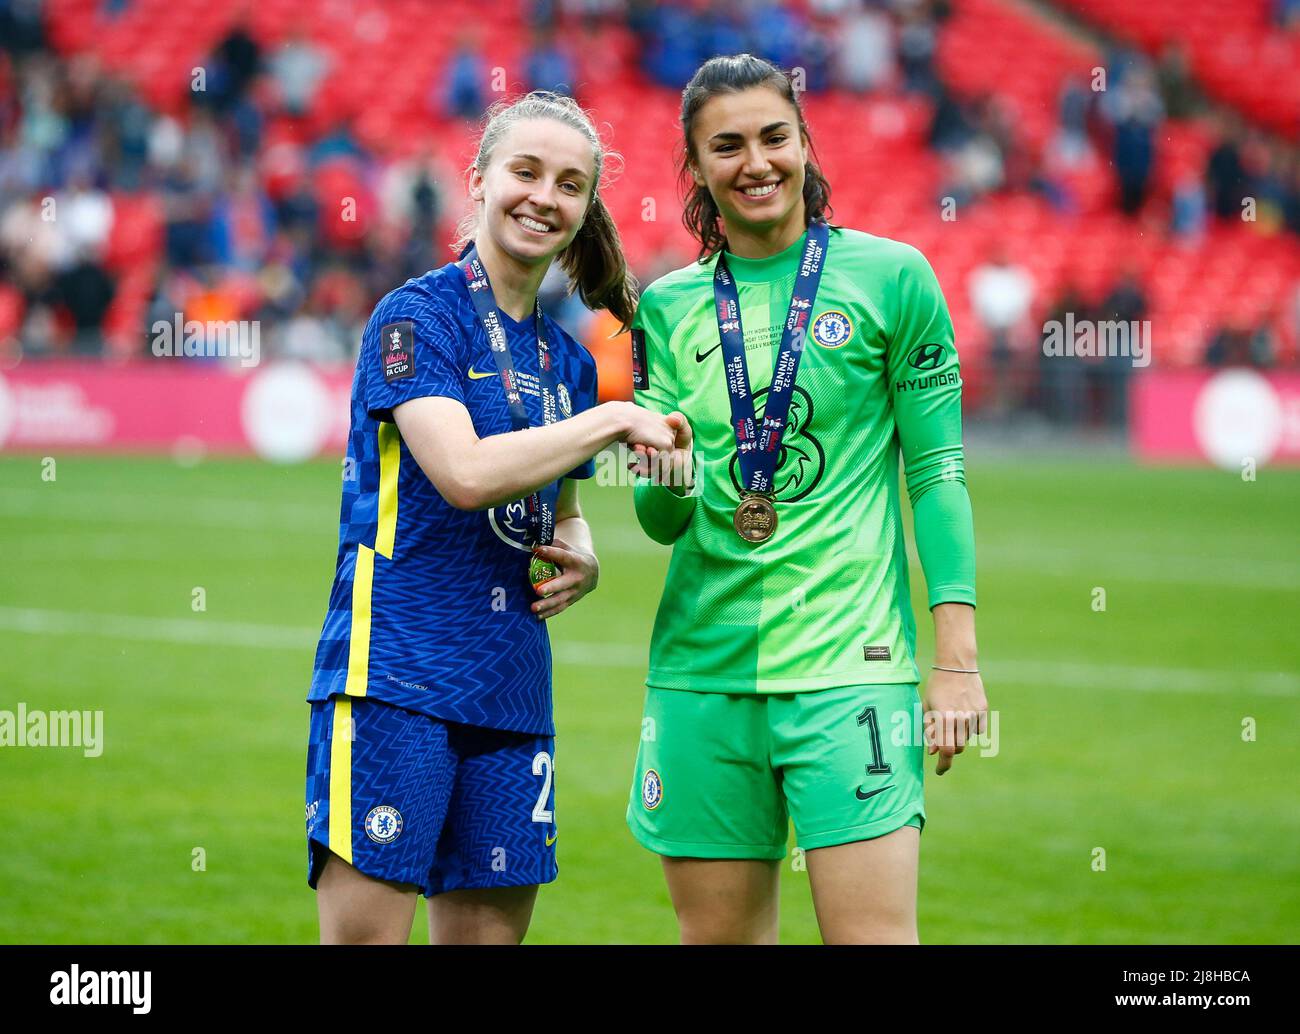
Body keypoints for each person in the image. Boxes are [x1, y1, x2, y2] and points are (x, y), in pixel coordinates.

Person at [625, 54, 986, 945]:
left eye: (773, 137)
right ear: (696, 165)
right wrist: (663, 470)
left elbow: (936, 474)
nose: (756, 163)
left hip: (850, 672)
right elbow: (661, 523)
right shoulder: (664, 308)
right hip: (701, 672)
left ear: (804, 141)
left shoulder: (894, 278)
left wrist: (957, 659)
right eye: (727, 146)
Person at [305, 91, 680, 945]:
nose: (545, 196)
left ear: (586, 211)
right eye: (526, 171)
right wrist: (618, 417)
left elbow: (566, 512)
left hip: (511, 690)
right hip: (395, 676)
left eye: (570, 184)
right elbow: (466, 473)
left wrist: (581, 554)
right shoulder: (416, 317)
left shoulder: (569, 362)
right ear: (478, 180)